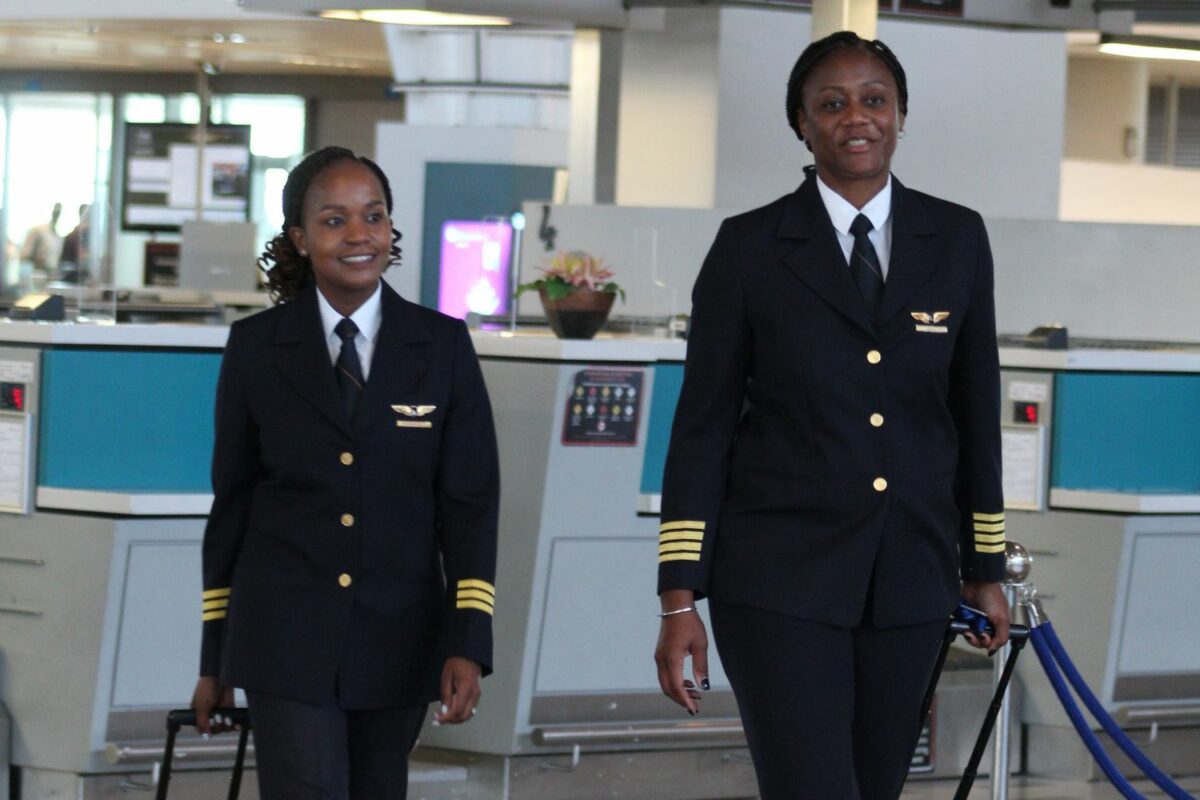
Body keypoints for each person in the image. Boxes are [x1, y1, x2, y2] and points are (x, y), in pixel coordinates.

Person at [653, 31, 1011, 800]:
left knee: (875, 788)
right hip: (778, 580)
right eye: (832, 103)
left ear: (902, 114)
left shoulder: (955, 237)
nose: (858, 117)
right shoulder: (749, 248)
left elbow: (975, 415)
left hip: (909, 580)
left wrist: (983, 570)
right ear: (802, 125)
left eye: (875, 99)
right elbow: (702, 428)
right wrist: (679, 595)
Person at [191, 146, 500, 799]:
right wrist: (213, 655)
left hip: (400, 638)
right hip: (283, 637)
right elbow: (234, 507)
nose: (358, 235)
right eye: (334, 221)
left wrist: (467, 640)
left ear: (391, 231)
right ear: (301, 239)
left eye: (374, 216)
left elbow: (470, 507)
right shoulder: (256, 349)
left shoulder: (441, 347)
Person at [20, 202, 63, 283]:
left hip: (52, 278)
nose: (57, 214)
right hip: (37, 276)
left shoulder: (57, 236)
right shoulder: (38, 230)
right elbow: (24, 254)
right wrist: (39, 261)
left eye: (59, 212)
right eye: (56, 211)